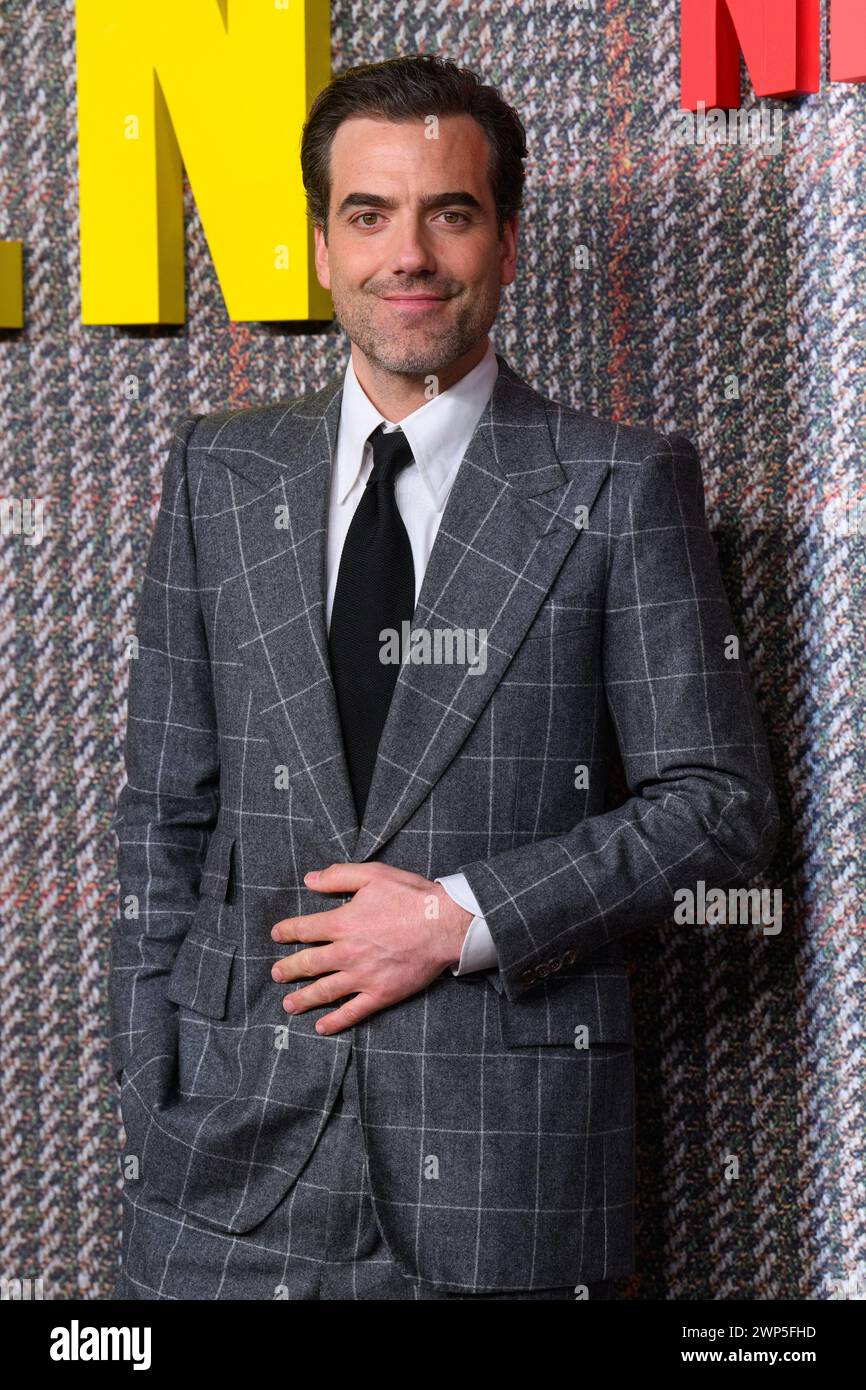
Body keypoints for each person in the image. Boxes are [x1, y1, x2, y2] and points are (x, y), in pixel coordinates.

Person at [111, 53, 779, 1300]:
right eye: (368, 215)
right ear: (320, 246)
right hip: (219, 1169)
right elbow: (164, 811)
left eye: (448, 213)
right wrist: (148, 1085)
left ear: (506, 243)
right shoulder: (219, 471)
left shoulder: (617, 485)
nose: (405, 254)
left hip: (500, 1179)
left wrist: (457, 918)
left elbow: (717, 811)